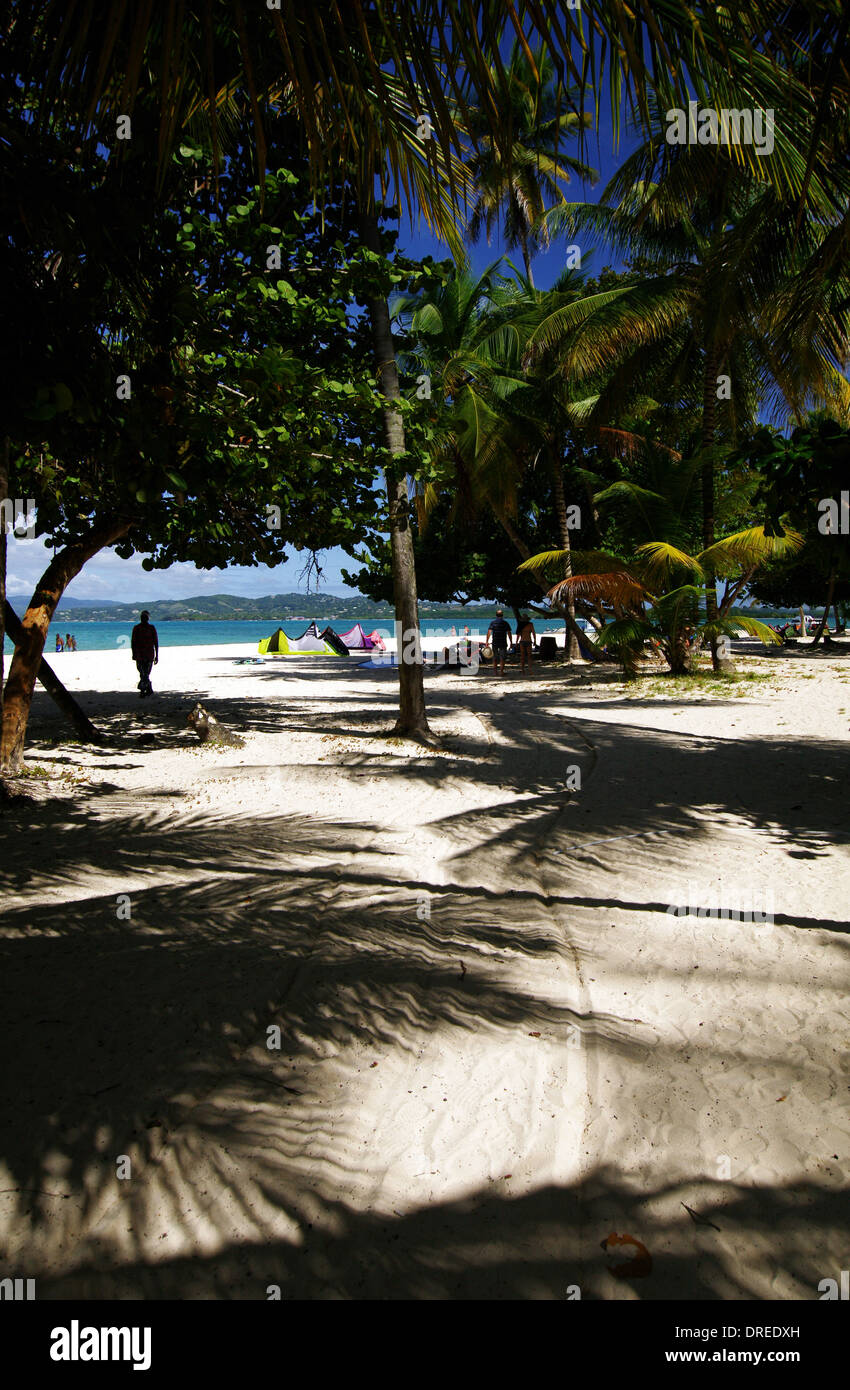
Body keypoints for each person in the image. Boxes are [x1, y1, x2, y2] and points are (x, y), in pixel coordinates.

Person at [131, 610, 159, 698]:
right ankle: (148, 688)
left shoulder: (151, 628)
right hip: (140, 655)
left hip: (149, 654)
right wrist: (134, 653)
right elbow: (133, 642)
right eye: (143, 617)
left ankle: (143, 690)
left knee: (146, 673)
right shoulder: (136, 628)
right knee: (143, 673)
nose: (144, 619)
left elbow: (156, 642)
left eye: (145, 617)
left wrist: (157, 655)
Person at [485, 609, 513, 676]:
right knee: (502, 657)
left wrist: (487, 641)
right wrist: (511, 642)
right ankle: (501, 672)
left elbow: (489, 632)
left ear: (496, 615)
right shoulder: (505, 623)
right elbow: (509, 633)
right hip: (503, 642)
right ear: (502, 615)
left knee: (495, 657)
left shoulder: (493, 622)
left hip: (495, 641)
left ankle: (495, 672)